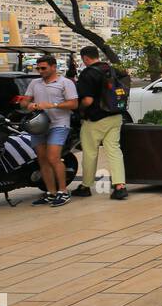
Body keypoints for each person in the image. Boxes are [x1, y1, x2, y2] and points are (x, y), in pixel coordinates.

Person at [20, 55, 78, 207]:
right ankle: (51, 193)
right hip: (38, 125)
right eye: (38, 68)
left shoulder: (65, 83)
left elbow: (74, 104)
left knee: (53, 158)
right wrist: (29, 105)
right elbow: (24, 101)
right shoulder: (34, 83)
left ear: (53, 67)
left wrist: (53, 105)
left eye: (43, 68)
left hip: (59, 124)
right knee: (42, 160)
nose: (40, 71)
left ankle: (63, 191)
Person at [72, 45, 128, 200]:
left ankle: (85, 186)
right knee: (114, 150)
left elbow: (88, 100)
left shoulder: (88, 74)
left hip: (96, 119)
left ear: (85, 58)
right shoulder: (111, 69)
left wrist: (80, 108)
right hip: (115, 115)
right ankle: (120, 186)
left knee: (90, 152)